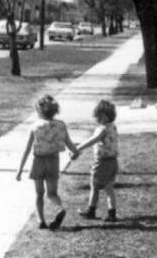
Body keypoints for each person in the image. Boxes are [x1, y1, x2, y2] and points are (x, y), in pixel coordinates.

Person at [15, 95, 79, 230]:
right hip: (53, 161)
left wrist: (20, 169)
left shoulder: (34, 126)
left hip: (38, 161)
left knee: (39, 193)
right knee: (52, 193)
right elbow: (69, 143)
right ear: (55, 111)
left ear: (39, 111)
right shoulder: (61, 125)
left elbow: (27, 149)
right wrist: (75, 152)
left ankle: (41, 220)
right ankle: (59, 208)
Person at [75, 99, 121, 222]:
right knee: (109, 188)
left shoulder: (102, 129)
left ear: (103, 116)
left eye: (96, 116)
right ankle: (112, 214)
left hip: (102, 163)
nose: (95, 118)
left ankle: (91, 211)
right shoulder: (113, 127)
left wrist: (78, 148)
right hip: (113, 161)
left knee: (94, 186)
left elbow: (93, 140)